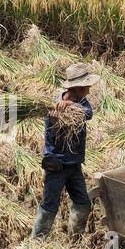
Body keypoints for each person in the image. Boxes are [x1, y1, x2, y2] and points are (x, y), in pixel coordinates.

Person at [31, 63, 100, 239]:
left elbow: (88, 113)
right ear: (76, 88)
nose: (89, 91)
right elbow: (51, 138)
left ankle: (75, 239)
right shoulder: (53, 107)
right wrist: (55, 120)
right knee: (50, 205)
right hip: (57, 164)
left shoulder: (82, 102)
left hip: (75, 164)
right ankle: (36, 243)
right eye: (86, 87)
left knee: (83, 203)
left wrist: (70, 105)